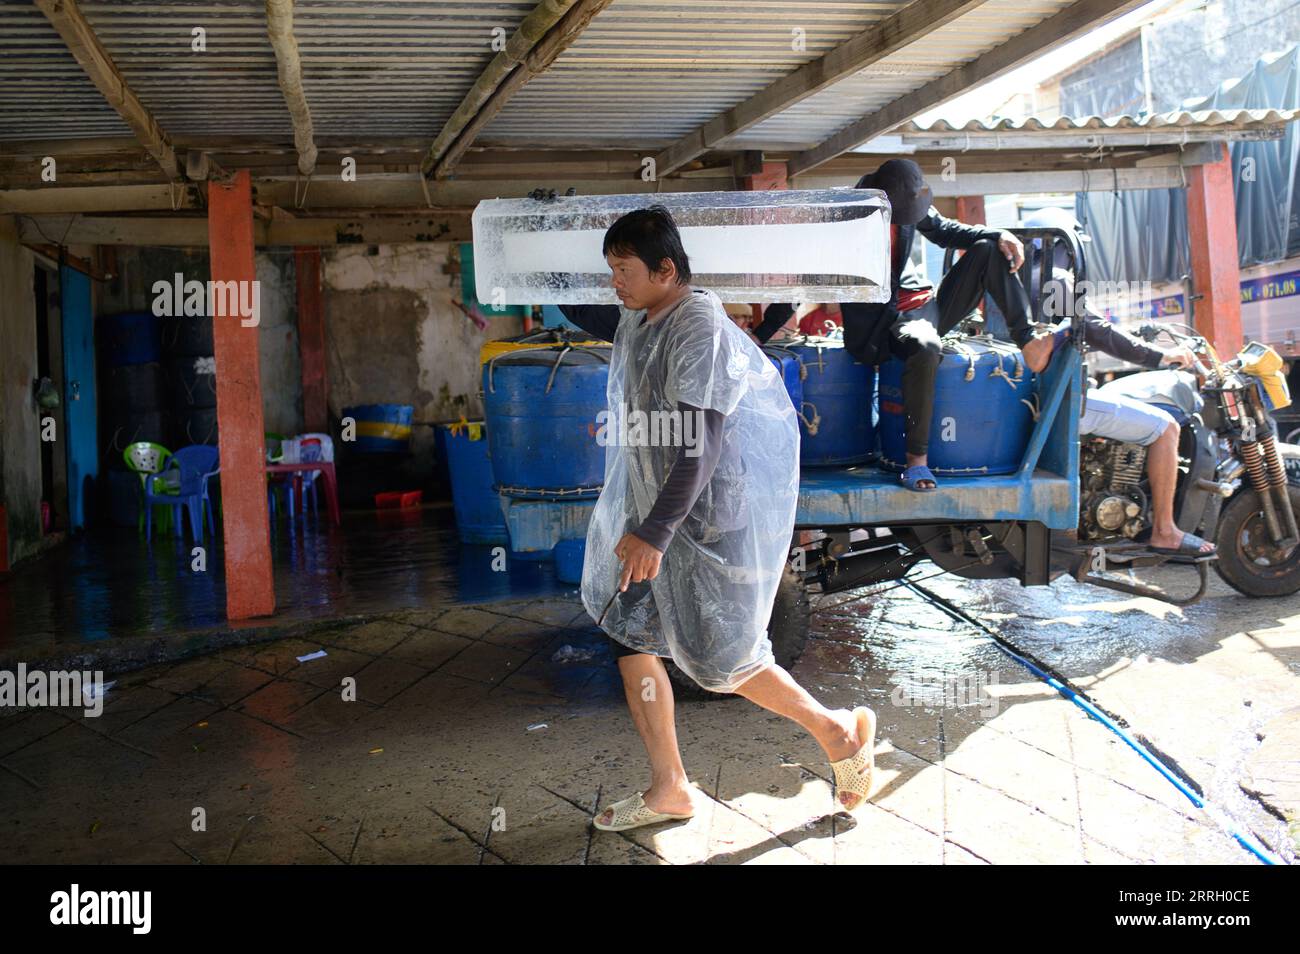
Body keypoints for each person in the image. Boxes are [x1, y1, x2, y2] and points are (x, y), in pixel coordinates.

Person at [557, 205, 879, 831]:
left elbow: (700, 445)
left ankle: (837, 731)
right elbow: (598, 320)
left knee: (725, 662)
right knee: (626, 633)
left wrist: (655, 531)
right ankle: (670, 786)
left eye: (623, 270)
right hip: (660, 511)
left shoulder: (696, 324)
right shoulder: (643, 317)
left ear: (666, 269)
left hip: (703, 520)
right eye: (611, 270)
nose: (614, 283)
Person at [753, 158, 1036, 491]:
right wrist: (759, 335)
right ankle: (916, 462)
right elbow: (805, 280)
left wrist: (1000, 233)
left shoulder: (908, 202)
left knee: (989, 250)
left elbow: (947, 231)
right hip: (879, 330)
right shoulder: (840, 218)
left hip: (923, 310)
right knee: (925, 347)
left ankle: (1029, 340)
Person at [1017, 208, 1217, 558]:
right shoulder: (1056, 279)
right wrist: (1160, 356)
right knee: (1167, 428)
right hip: (1059, 402)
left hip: (1030, 398)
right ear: (1063, 245)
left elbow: (1086, 329)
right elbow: (1098, 331)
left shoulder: (1018, 282)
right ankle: (1165, 531)